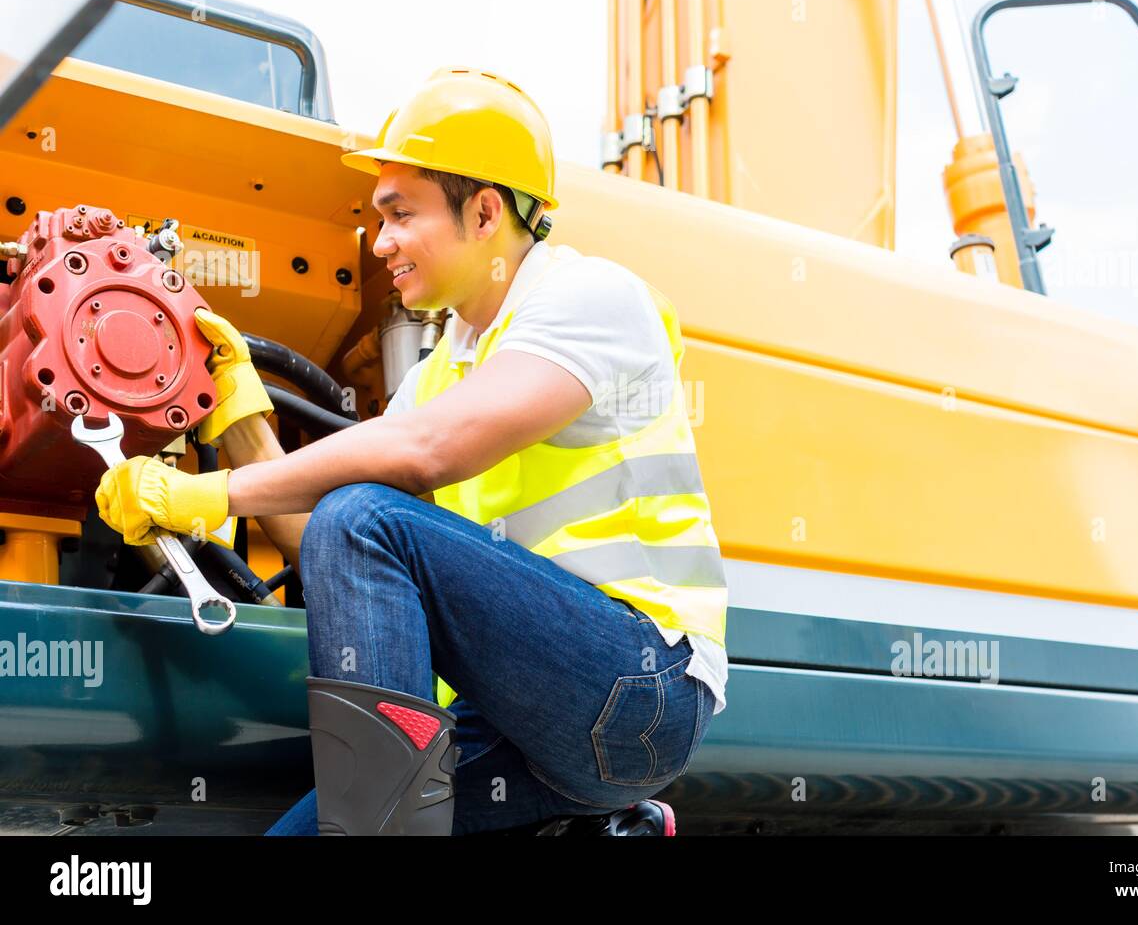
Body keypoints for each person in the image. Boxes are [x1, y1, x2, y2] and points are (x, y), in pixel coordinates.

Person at [93, 67, 729, 836]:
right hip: (527, 717)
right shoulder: (441, 371)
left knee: (365, 518)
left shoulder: (589, 299)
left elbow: (426, 455)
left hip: (639, 685)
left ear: (486, 210)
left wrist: (210, 494)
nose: (380, 241)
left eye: (400, 215)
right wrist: (240, 407)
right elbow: (317, 539)